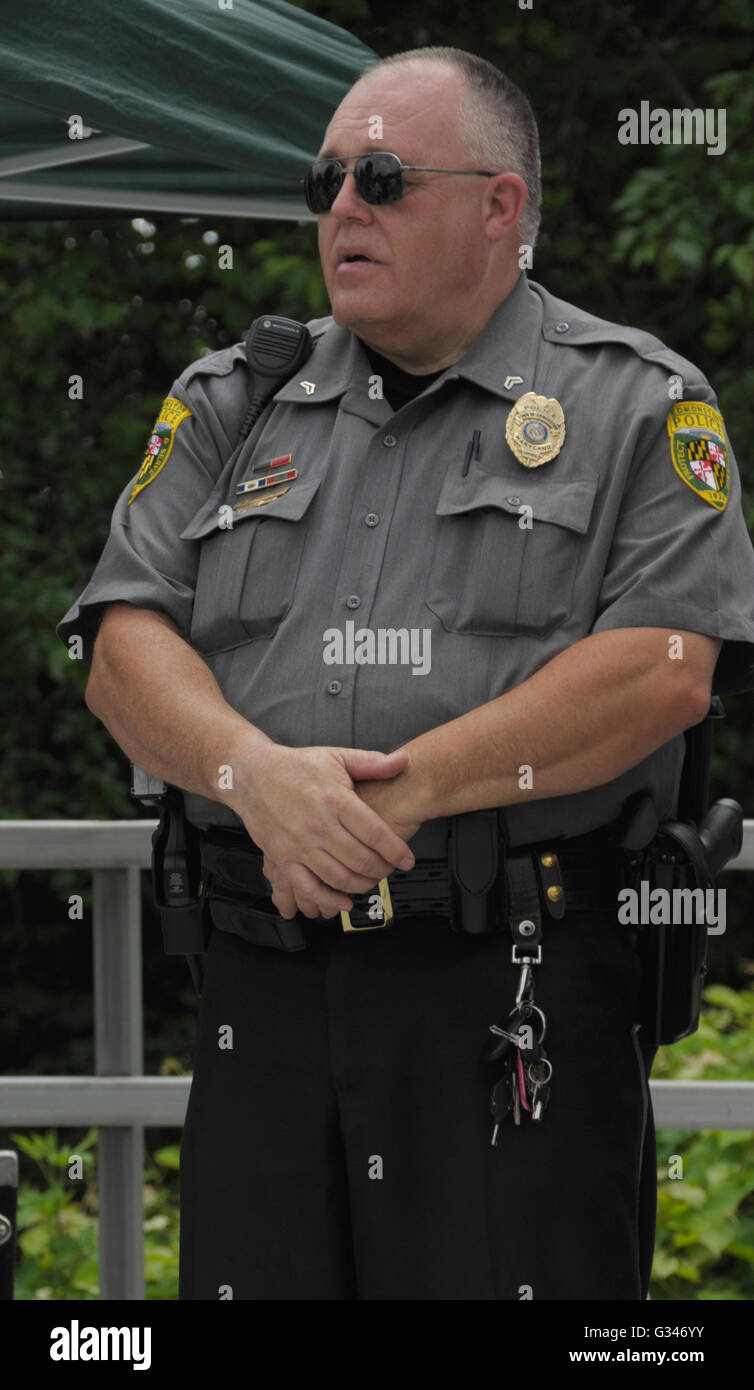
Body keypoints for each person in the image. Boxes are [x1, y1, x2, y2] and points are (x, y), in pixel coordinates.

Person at [57, 45, 754, 1301]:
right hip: (259, 984)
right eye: (326, 180)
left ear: (500, 206)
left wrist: (402, 793)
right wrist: (255, 775)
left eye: (382, 176)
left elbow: (661, 671)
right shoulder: (233, 402)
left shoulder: (634, 403)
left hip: (510, 985)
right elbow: (120, 644)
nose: (343, 209)